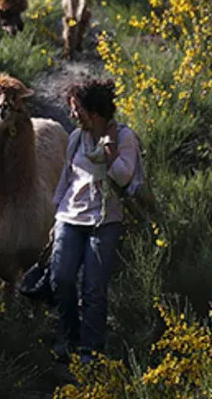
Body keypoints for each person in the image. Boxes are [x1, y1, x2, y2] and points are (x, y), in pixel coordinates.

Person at [49, 77, 143, 362]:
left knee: (93, 288)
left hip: (105, 218)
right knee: (60, 278)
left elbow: (125, 177)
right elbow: (67, 178)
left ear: (95, 110)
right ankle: (69, 337)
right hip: (70, 215)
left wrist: (110, 152)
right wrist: (55, 219)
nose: (73, 114)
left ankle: (91, 351)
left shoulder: (124, 137)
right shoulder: (76, 137)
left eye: (77, 108)